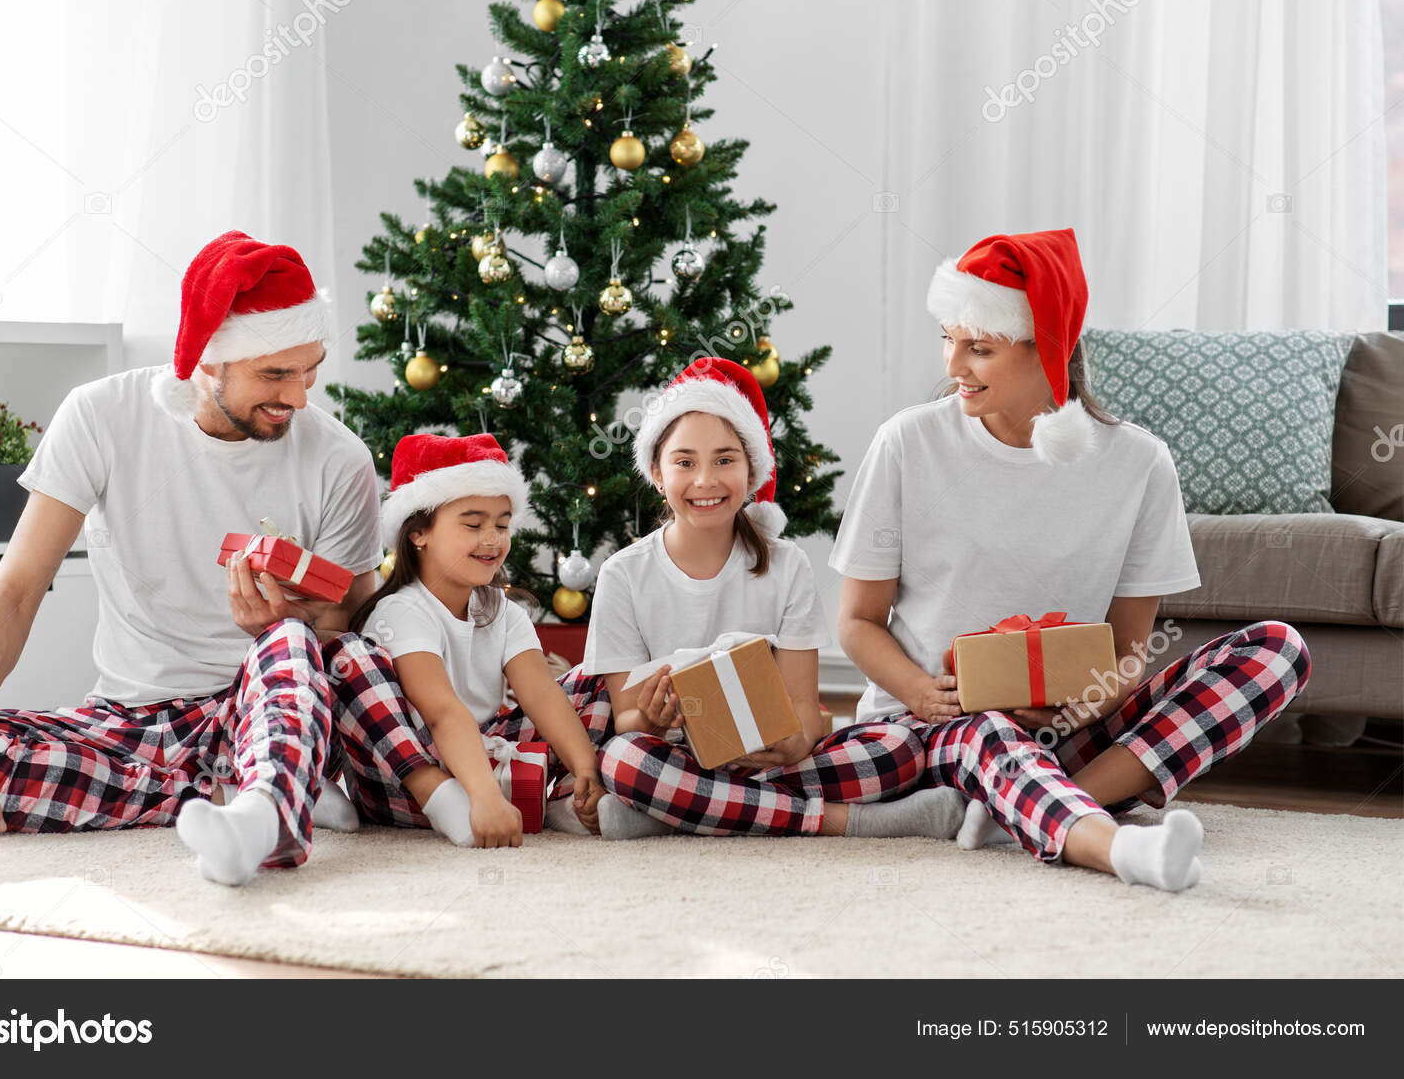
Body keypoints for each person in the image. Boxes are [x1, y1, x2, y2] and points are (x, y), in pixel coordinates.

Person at [0, 230, 397, 886]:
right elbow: (19, 587)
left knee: (292, 642)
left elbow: (350, 638)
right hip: (132, 723)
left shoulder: (339, 459)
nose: (299, 397)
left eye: (312, 369)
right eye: (276, 373)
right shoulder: (101, 415)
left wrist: (287, 626)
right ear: (209, 362)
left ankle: (261, 813)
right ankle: (225, 792)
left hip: (264, 707)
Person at [831, 228, 1310, 891]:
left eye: (980, 348)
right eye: (949, 338)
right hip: (929, 731)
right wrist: (921, 692)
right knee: (991, 729)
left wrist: (1087, 704)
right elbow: (856, 620)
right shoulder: (908, 443)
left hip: (1065, 728)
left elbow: (1128, 650)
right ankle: (1097, 834)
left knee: (1277, 651)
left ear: (1047, 348)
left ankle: (1029, 808)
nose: (954, 365)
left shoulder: (1138, 463)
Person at [586, 358, 960, 840]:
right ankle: (836, 822)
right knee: (624, 760)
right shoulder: (622, 575)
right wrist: (654, 723)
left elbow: (804, 709)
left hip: (767, 765)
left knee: (900, 748)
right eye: (685, 462)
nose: (705, 481)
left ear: (751, 470)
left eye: (725, 460)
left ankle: (675, 814)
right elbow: (628, 721)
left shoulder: (786, 565)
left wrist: (791, 744)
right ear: (657, 473)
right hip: (675, 755)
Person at [335, 432, 610, 846]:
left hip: (485, 750)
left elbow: (541, 694)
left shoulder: (502, 611)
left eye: (502, 525)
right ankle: (460, 802)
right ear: (418, 533)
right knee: (348, 659)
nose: (492, 539)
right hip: (408, 777)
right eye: (473, 524)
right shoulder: (402, 611)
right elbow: (441, 713)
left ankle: (566, 798)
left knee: (594, 678)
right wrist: (482, 796)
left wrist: (585, 767)